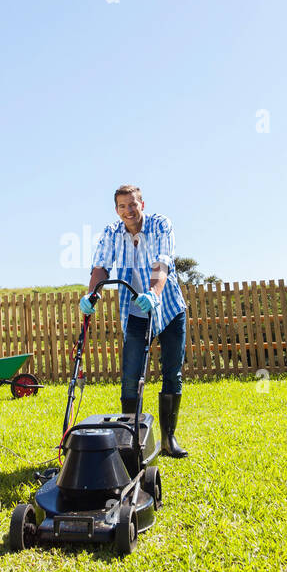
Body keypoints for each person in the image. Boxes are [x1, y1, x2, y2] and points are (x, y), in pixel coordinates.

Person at [81, 184, 189, 458]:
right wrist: (92, 294)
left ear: (142, 204)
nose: (128, 211)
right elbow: (101, 266)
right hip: (135, 311)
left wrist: (154, 292)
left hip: (168, 307)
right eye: (122, 206)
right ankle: (130, 443)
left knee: (171, 373)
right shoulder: (111, 233)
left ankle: (168, 439)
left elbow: (162, 261)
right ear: (117, 210)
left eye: (132, 204)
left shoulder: (160, 225)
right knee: (130, 378)